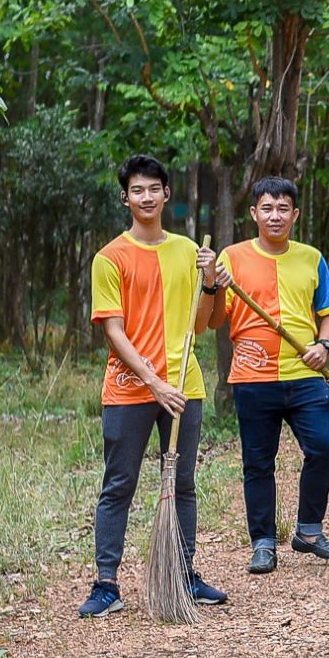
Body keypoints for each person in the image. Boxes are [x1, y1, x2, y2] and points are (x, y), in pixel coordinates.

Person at [83, 155, 230, 618]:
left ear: (167, 194)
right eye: (137, 190)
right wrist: (153, 382)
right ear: (125, 197)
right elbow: (113, 331)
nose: (146, 197)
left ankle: (184, 572)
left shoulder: (189, 251)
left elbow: (204, 324)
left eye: (154, 189)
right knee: (119, 483)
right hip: (131, 388)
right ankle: (107, 583)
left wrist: (212, 284)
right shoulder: (110, 258)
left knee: (182, 482)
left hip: (184, 383)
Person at [209, 177, 329, 574]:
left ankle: (308, 532)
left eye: (282, 208)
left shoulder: (311, 257)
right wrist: (216, 288)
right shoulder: (232, 259)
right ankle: (263, 543)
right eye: (266, 208)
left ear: (295, 215)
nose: (275, 216)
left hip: (305, 375)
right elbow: (216, 319)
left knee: (323, 447)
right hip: (253, 378)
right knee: (257, 462)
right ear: (253, 214)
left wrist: (324, 345)